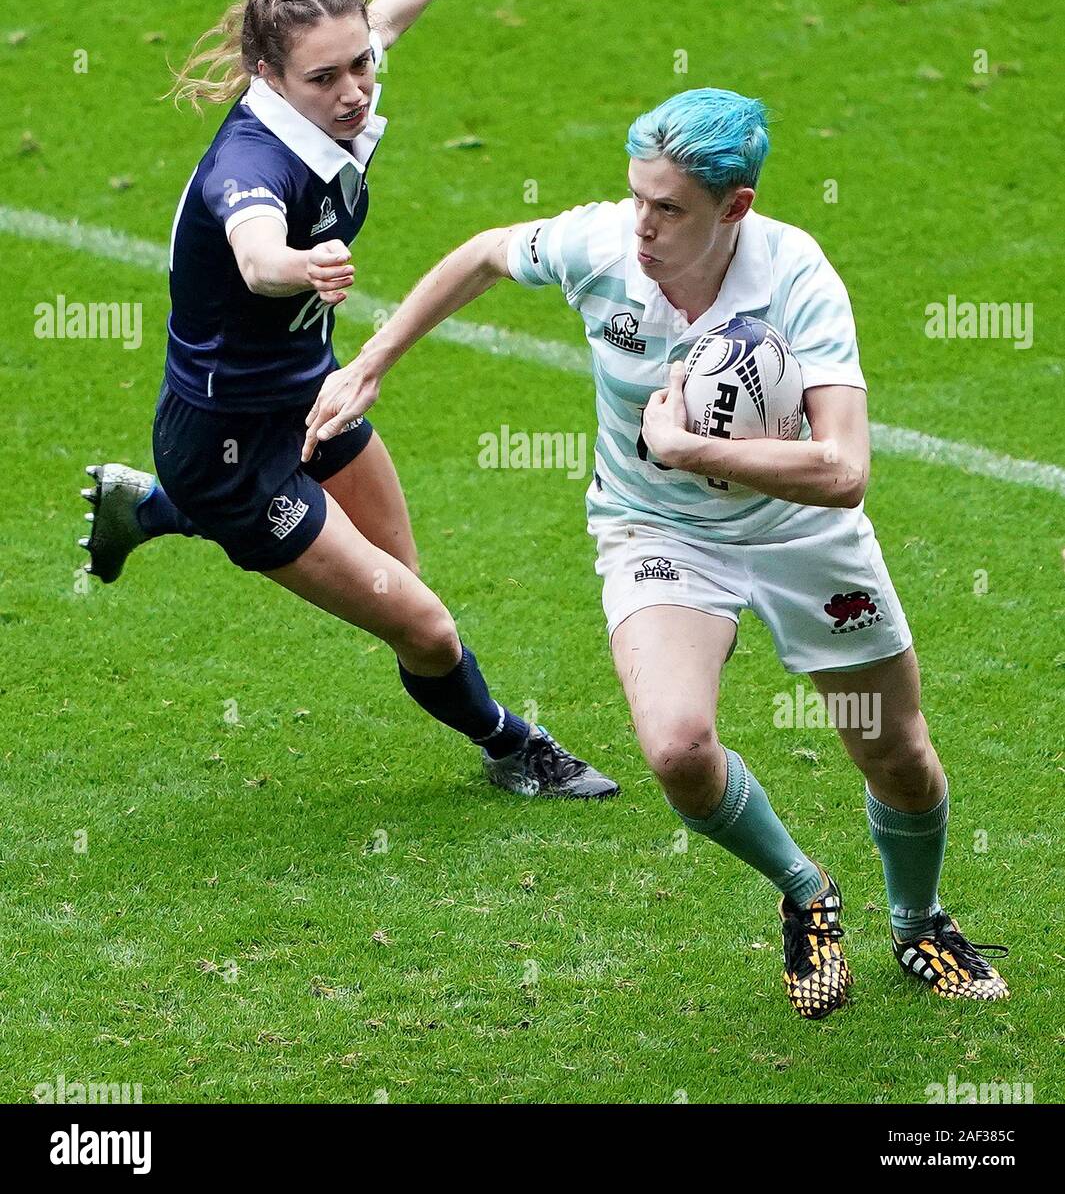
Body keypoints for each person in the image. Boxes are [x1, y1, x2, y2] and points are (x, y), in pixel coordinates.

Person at [298, 87, 1010, 1018]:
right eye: (637, 196)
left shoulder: (796, 277)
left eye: (668, 208)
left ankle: (917, 922)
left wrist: (692, 449)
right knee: (675, 748)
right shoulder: (603, 245)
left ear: (735, 207)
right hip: (657, 531)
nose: (642, 225)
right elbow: (482, 255)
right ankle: (805, 892)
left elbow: (843, 470)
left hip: (802, 533)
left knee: (894, 753)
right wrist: (371, 363)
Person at [79, 0, 617, 801]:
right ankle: (513, 747)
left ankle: (150, 509)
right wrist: (305, 266)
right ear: (268, 79)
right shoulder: (251, 165)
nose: (353, 92)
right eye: (325, 78)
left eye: (358, 65)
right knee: (426, 628)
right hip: (226, 443)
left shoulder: (340, 94)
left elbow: (389, 17)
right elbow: (254, 256)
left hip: (309, 391)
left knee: (403, 582)